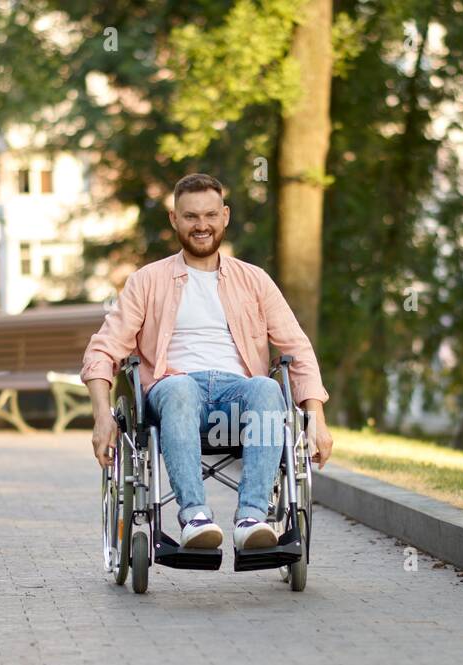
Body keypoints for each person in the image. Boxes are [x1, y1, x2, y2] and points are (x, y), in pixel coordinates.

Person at [82, 173, 334, 551]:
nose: (202, 225)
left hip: (239, 395)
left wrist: (316, 418)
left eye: (210, 215)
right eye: (191, 216)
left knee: (267, 387)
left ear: (225, 215)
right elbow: (103, 350)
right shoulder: (147, 282)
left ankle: (252, 517)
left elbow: (296, 347)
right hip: (175, 390)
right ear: (174, 219)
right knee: (180, 387)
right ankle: (195, 518)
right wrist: (102, 417)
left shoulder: (254, 281)